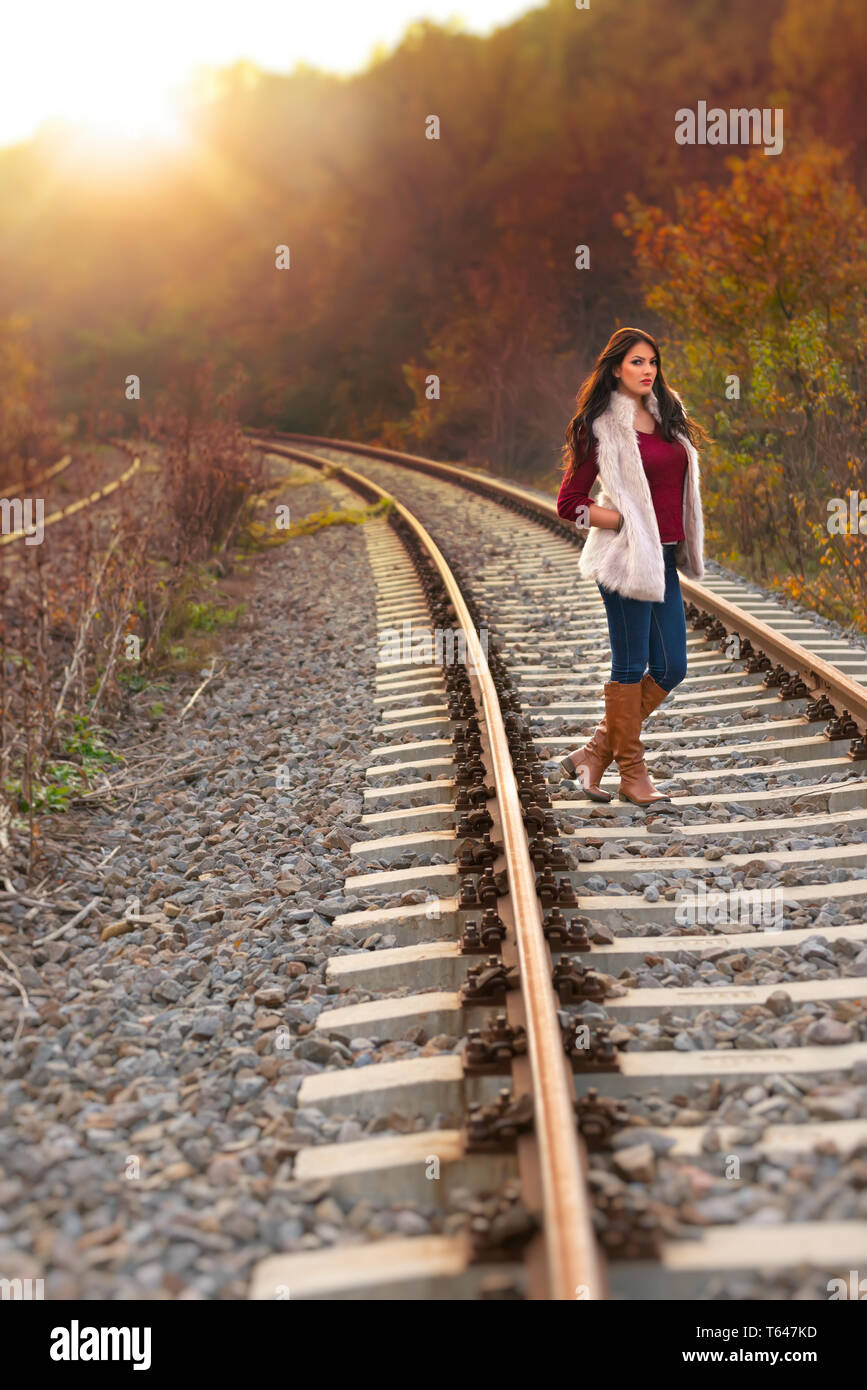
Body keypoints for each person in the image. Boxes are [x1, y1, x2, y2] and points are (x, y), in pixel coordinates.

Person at [555, 328, 708, 807]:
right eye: (637, 362)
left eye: (652, 362)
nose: (647, 371)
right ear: (616, 367)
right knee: (630, 665)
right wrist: (621, 520)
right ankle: (633, 775)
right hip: (624, 562)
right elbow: (569, 504)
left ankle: (595, 753)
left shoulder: (668, 416)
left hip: (661, 558)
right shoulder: (598, 425)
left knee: (671, 666)